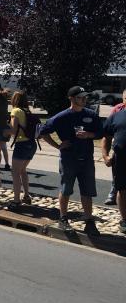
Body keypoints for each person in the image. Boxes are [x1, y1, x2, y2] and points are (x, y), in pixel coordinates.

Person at [39, 86, 103, 236]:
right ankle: (63, 218)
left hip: (87, 158)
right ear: (72, 99)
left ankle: (89, 220)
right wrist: (58, 146)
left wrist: (89, 135)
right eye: (81, 97)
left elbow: (101, 132)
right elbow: (43, 132)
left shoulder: (91, 115)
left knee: (87, 190)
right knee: (66, 188)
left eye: (85, 97)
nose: (84, 99)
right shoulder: (62, 117)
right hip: (68, 159)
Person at [7, 91, 38, 209]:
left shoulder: (15, 111)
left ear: (14, 100)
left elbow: (13, 130)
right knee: (23, 170)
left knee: (15, 172)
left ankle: (16, 200)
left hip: (22, 144)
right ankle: (26, 195)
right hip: (32, 144)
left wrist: (3, 131)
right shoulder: (27, 111)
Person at [101, 96, 126, 235]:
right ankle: (124, 220)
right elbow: (106, 136)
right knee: (122, 190)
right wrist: (105, 155)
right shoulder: (116, 116)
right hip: (121, 161)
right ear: (124, 99)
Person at [104, 90, 126, 205]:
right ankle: (113, 194)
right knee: (119, 182)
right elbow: (107, 134)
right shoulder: (117, 110)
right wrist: (105, 155)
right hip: (119, 153)